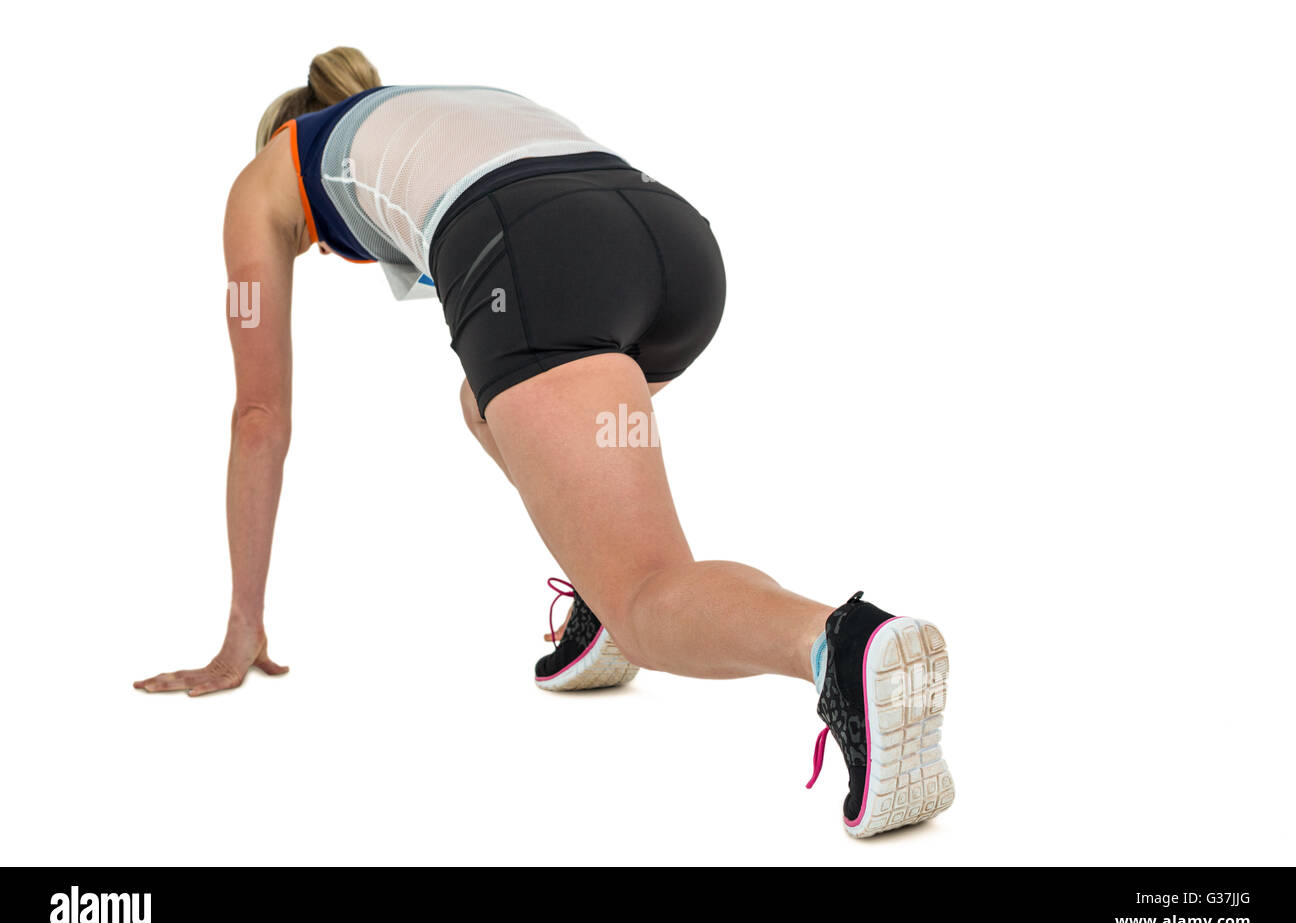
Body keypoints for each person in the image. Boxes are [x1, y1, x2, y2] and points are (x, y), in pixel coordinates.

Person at [133, 47, 955, 837]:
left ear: (286, 130)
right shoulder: (426, 109)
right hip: (674, 252)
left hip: (538, 251)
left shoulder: (269, 174)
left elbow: (259, 418)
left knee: (649, 598)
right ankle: (602, 601)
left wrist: (244, 622)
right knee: (483, 404)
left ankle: (837, 642)